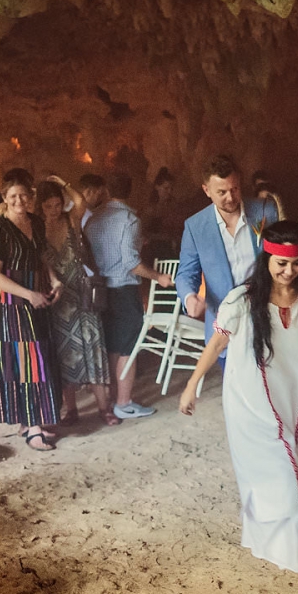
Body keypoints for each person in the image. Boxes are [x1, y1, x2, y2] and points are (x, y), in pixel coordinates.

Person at [178, 221, 298, 593]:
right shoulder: (242, 300)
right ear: (266, 258)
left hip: (294, 396)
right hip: (250, 402)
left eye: (296, 264)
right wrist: (191, 385)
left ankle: (272, 539)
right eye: (281, 264)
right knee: (284, 473)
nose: (288, 272)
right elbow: (216, 344)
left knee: (284, 471)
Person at [82, 171, 174, 421]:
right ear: (131, 190)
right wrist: (158, 277)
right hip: (123, 289)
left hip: (101, 289)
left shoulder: (93, 219)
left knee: (113, 345)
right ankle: (124, 402)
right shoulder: (130, 219)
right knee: (129, 347)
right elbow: (132, 263)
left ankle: (113, 398)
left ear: (107, 191)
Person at [0, 169, 64, 450]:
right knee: (26, 363)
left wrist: (54, 279)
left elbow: (40, 256)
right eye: (12, 196)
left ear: (30, 197)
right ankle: (33, 428)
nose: (19, 200)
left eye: (23, 195)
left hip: (36, 297)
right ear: (4, 198)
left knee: (38, 358)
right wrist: (28, 294)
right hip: (10, 305)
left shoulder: (35, 223)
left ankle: (29, 421)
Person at [175, 155, 280, 369]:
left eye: (235, 189)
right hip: (224, 323)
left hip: (266, 313)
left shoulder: (265, 211)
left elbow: (280, 256)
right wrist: (189, 298)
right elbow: (186, 274)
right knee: (236, 397)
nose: (230, 198)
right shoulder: (195, 226)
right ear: (206, 190)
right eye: (221, 192)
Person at [38, 178, 117, 426]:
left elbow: (81, 201)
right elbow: (0, 208)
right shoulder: (37, 229)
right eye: (48, 206)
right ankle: (71, 410)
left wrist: (62, 182)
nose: (54, 210)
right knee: (65, 355)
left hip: (82, 296)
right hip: (58, 300)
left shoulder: (71, 220)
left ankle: (104, 408)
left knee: (93, 348)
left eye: (57, 204)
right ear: (40, 207)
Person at [141, 168, 188, 262]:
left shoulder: (174, 206)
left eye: (171, 188)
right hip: (154, 251)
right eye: (166, 188)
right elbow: (142, 231)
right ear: (157, 187)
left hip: (172, 249)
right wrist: (163, 237)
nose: (169, 191)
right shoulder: (150, 209)